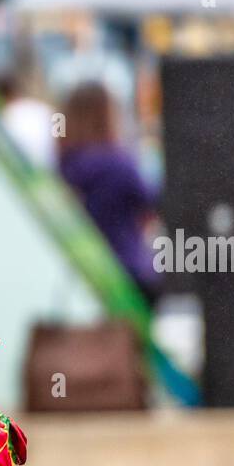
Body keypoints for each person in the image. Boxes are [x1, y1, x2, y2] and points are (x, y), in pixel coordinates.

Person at [57, 81, 161, 307]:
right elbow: (155, 203)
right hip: (128, 272)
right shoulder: (118, 163)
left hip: (85, 274)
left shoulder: (65, 165)